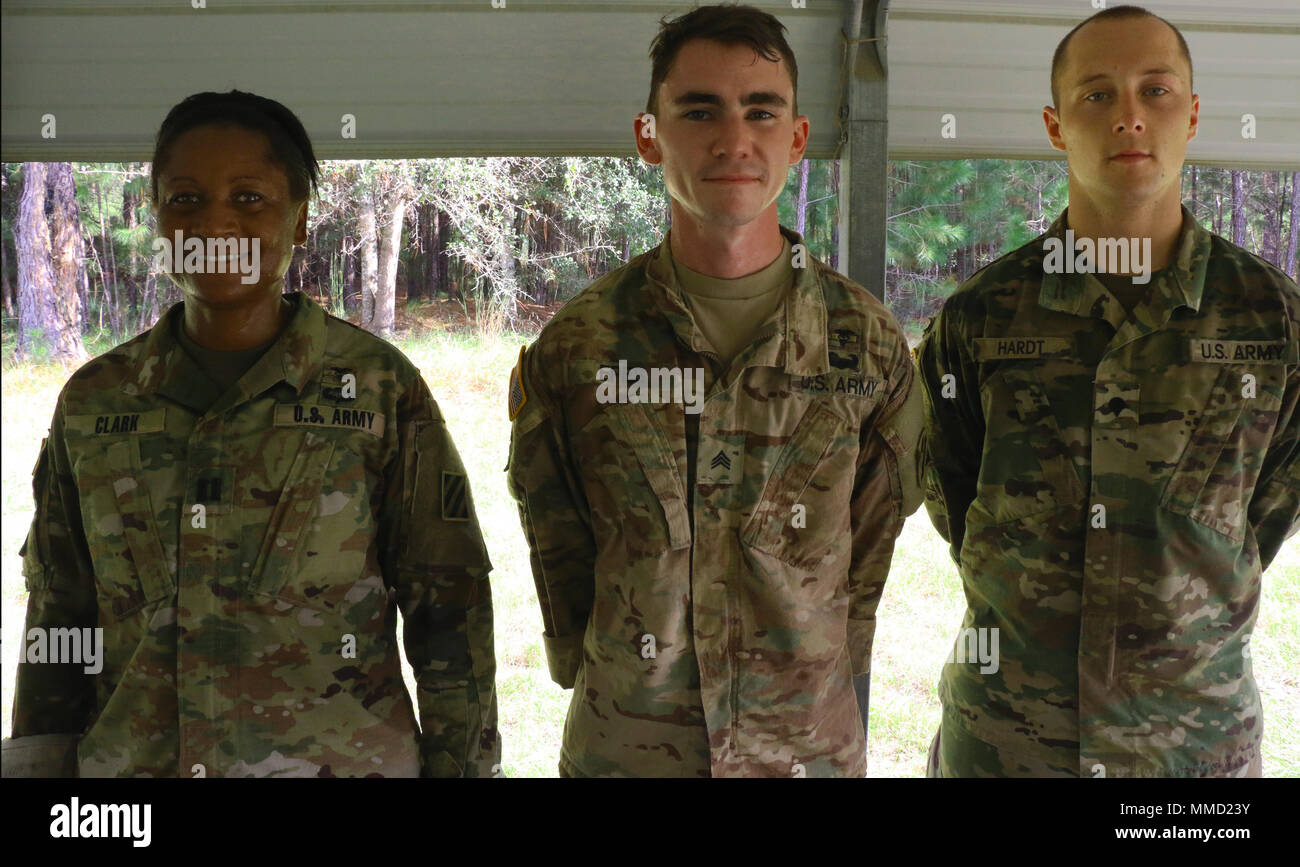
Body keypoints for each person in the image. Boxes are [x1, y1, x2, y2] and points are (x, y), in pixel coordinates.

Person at [5, 90, 500, 778]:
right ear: (157, 217)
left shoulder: (380, 390)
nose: (214, 224)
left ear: (299, 219)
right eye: (185, 199)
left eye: (248, 198)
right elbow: (61, 613)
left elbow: (448, 606)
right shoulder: (95, 402)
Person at [507, 3, 923, 778]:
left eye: (761, 111)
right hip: (627, 751)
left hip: (806, 752)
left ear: (797, 138)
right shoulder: (581, 347)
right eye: (698, 111)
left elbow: (867, 557)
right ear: (648, 135)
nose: (734, 139)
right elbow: (557, 546)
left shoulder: (866, 344)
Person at [916, 5, 1299, 778]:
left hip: (1191, 757)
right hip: (1008, 746)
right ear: (1056, 126)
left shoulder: (1274, 322)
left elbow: (1266, 517)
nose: (1129, 115)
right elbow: (955, 499)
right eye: (1097, 95)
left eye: (1155, 91)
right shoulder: (982, 317)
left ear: (1191, 117)